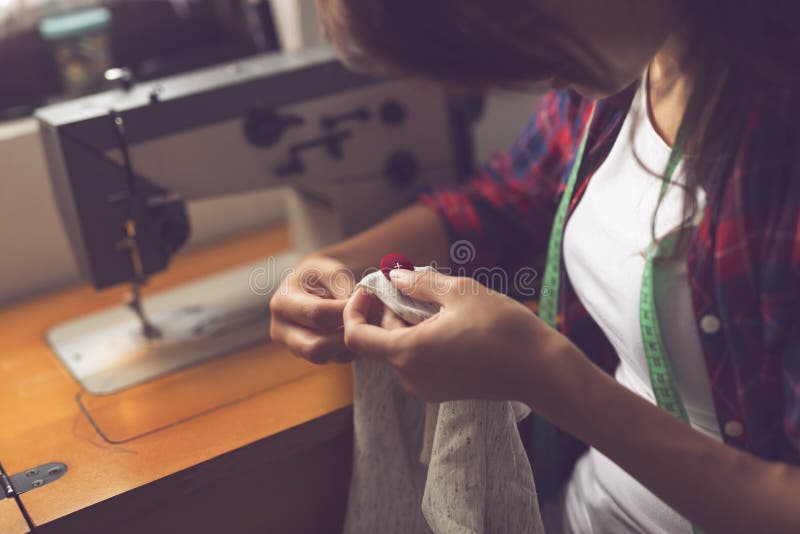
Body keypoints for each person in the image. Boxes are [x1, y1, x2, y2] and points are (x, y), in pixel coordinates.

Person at [269, 0, 800, 532]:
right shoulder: (623, 69)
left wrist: (545, 376)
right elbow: (503, 201)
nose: (520, 63)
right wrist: (337, 261)